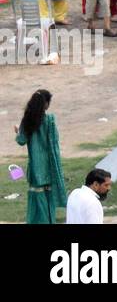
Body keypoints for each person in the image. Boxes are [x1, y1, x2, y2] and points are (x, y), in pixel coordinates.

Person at [14, 90, 66, 224]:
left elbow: (21, 140)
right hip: (49, 167)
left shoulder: (26, 121)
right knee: (49, 200)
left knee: (37, 202)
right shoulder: (50, 120)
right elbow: (54, 144)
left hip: (35, 169)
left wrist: (18, 131)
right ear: (46, 104)